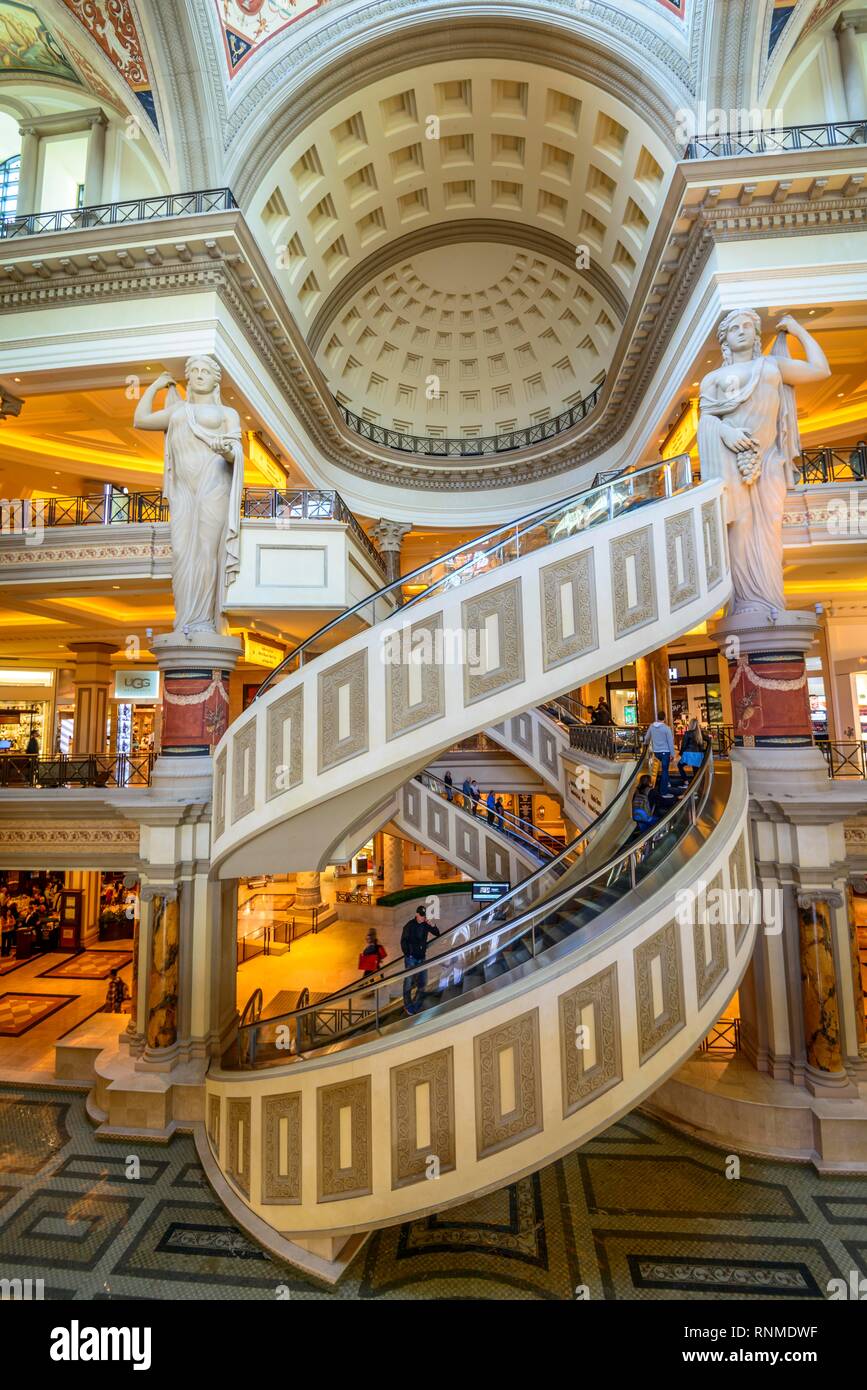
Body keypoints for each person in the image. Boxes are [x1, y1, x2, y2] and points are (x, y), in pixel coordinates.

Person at [400, 905, 441, 1015]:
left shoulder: (425, 925)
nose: (423, 918)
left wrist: (432, 925)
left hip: (422, 958)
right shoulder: (409, 926)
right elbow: (403, 942)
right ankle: (408, 1005)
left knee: (422, 983)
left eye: (424, 916)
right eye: (421, 916)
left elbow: (437, 933)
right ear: (416, 914)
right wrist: (408, 954)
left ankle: (416, 1006)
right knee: (408, 982)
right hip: (411, 959)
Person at [644, 709, 676, 797]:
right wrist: (673, 754)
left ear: (657, 717)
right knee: (665, 771)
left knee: (664, 770)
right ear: (664, 718)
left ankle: (667, 783)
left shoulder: (651, 726)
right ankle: (663, 792)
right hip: (665, 752)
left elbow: (646, 738)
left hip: (656, 752)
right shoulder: (666, 728)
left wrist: (645, 744)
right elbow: (670, 742)